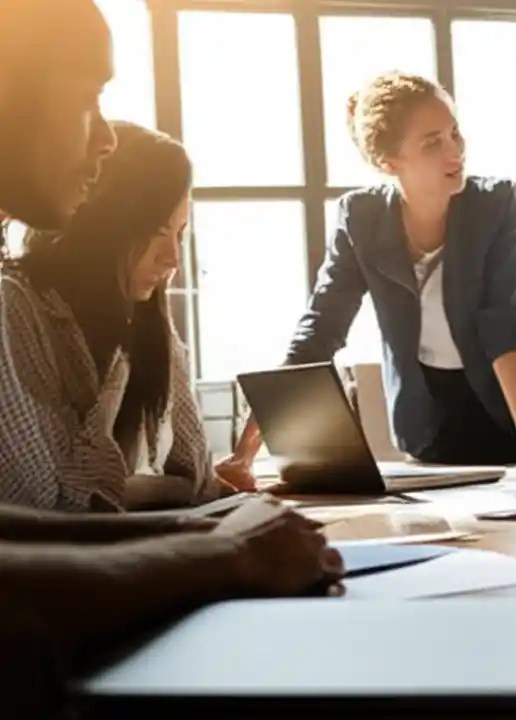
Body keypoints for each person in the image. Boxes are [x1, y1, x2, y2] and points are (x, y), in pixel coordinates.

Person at [0, 2, 339, 714]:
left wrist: (208, 525)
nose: (105, 141)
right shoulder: (19, 309)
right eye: (89, 97)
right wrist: (219, 551)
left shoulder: (149, 331)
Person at [217, 71, 516, 485]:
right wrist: (244, 454)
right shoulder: (362, 219)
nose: (455, 150)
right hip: (430, 435)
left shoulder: (492, 205)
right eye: (432, 142)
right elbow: (320, 330)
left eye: (454, 133)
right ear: (388, 162)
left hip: (513, 420)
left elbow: (503, 324)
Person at [1, 121, 223, 512]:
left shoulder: (144, 317)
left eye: (180, 233)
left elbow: (198, 479)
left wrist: (140, 489)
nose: (172, 258)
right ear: (105, 227)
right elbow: (54, 503)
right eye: (157, 232)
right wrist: (152, 488)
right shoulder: (18, 307)